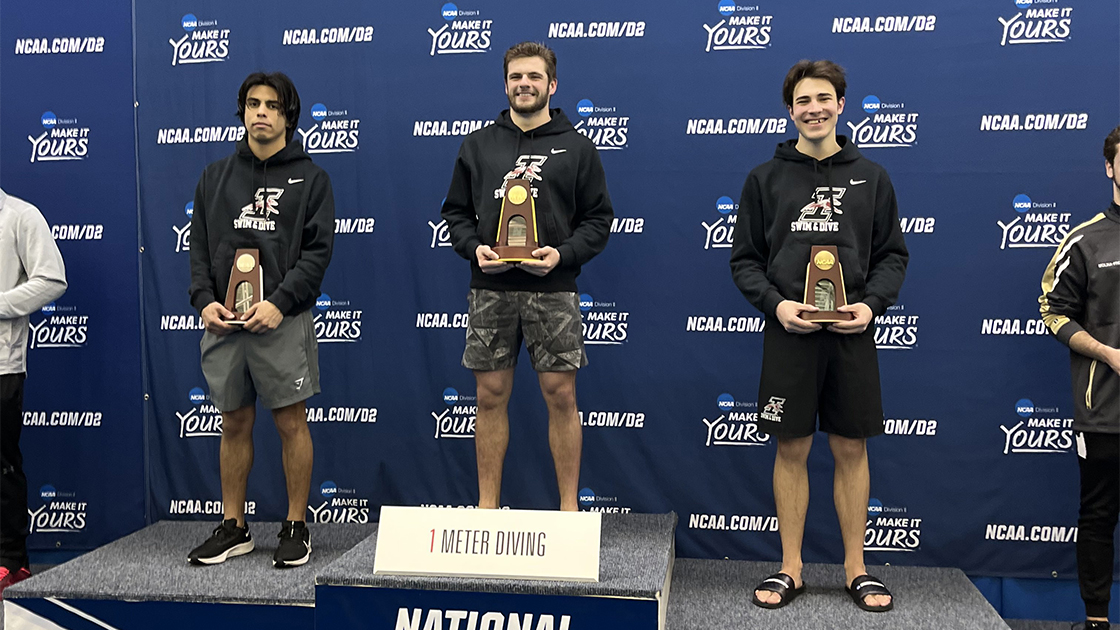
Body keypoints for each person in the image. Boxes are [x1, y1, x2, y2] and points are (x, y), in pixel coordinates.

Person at [730, 59, 908, 612]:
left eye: (824, 99)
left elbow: (893, 257)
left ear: (841, 105)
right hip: (791, 335)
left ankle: (857, 569)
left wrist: (872, 305)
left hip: (851, 335)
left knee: (852, 447)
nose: (815, 109)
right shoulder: (764, 178)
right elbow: (745, 262)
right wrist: (777, 305)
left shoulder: (872, 177)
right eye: (804, 101)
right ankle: (791, 567)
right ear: (790, 110)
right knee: (792, 447)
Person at [440, 41, 613, 511]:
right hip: (491, 289)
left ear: (551, 85)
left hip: (552, 288)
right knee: (489, 394)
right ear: (506, 84)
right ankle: (487, 508)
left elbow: (599, 220)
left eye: (534, 77)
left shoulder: (577, 147)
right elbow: (455, 213)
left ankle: (569, 510)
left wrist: (562, 255)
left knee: (561, 394)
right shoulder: (478, 145)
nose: (525, 84)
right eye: (516, 77)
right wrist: (474, 249)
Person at [187, 71, 334, 567]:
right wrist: (204, 299)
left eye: (272, 105)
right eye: (252, 104)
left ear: (289, 116)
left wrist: (281, 301)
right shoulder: (215, 176)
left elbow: (316, 254)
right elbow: (199, 249)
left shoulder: (311, 179)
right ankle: (235, 526)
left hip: (280, 320)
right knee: (233, 421)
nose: (261, 113)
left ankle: (295, 524)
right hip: (224, 323)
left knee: (292, 422)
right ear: (243, 111)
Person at [1039, 125, 1120, 630]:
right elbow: (1052, 309)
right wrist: (1109, 354)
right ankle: (1096, 622)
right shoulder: (1086, 239)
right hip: (1106, 411)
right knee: (1097, 519)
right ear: (1110, 168)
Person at [0, 189, 67, 594]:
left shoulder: (20, 215)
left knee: (2, 465)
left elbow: (52, 279)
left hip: (1, 365)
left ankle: (11, 559)